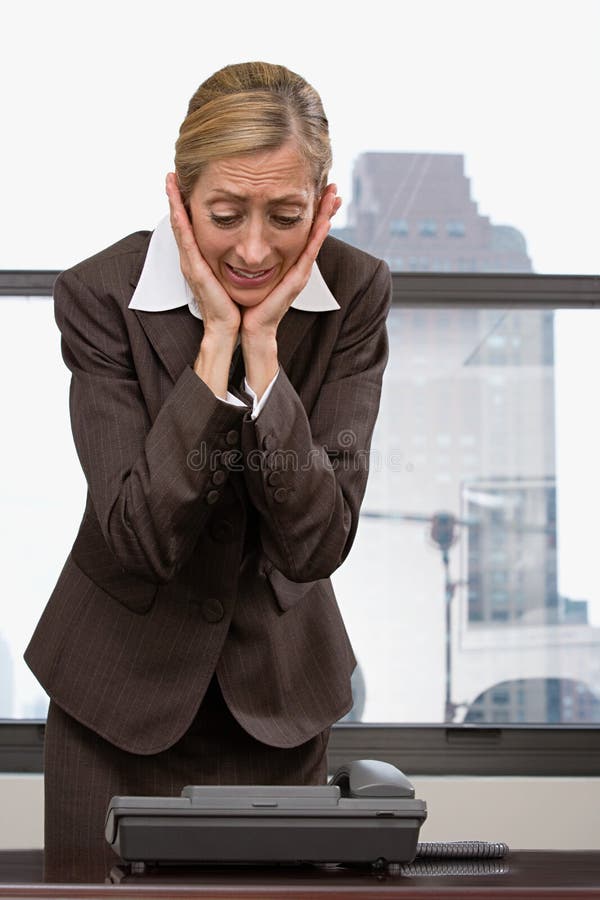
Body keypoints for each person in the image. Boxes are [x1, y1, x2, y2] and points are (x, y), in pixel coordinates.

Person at [24, 60, 391, 883]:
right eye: (225, 214)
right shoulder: (100, 296)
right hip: (113, 706)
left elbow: (316, 540)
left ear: (323, 202)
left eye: (286, 215)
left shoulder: (355, 294)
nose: (255, 249)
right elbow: (140, 536)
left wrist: (262, 359)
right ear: (180, 200)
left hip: (280, 700)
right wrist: (214, 345)